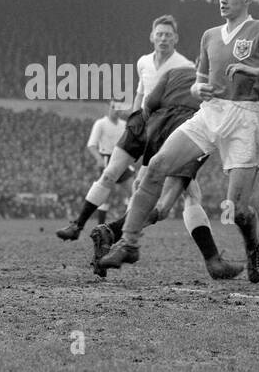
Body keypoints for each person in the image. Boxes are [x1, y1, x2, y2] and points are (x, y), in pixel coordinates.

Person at [100, 0, 259, 282]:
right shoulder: (210, 36)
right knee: (157, 165)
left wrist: (258, 71)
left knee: (237, 209)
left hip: (245, 118)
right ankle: (129, 243)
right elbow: (198, 85)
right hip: (210, 112)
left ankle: (252, 244)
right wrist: (201, 90)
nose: (222, 0)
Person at [90, 65, 244, 280]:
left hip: (157, 127)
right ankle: (113, 233)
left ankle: (213, 259)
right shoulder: (217, 82)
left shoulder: (174, 72)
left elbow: (148, 105)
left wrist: (147, 157)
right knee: (167, 204)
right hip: (189, 130)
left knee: (186, 193)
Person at [56, 15, 194, 239]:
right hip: (141, 123)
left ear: (176, 39)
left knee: (141, 185)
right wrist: (134, 118)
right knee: (110, 173)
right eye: (159, 34)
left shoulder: (185, 66)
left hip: (163, 128)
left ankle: (122, 235)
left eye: (168, 35)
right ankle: (77, 225)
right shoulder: (143, 62)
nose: (163, 38)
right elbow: (141, 92)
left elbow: (187, 102)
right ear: (152, 37)